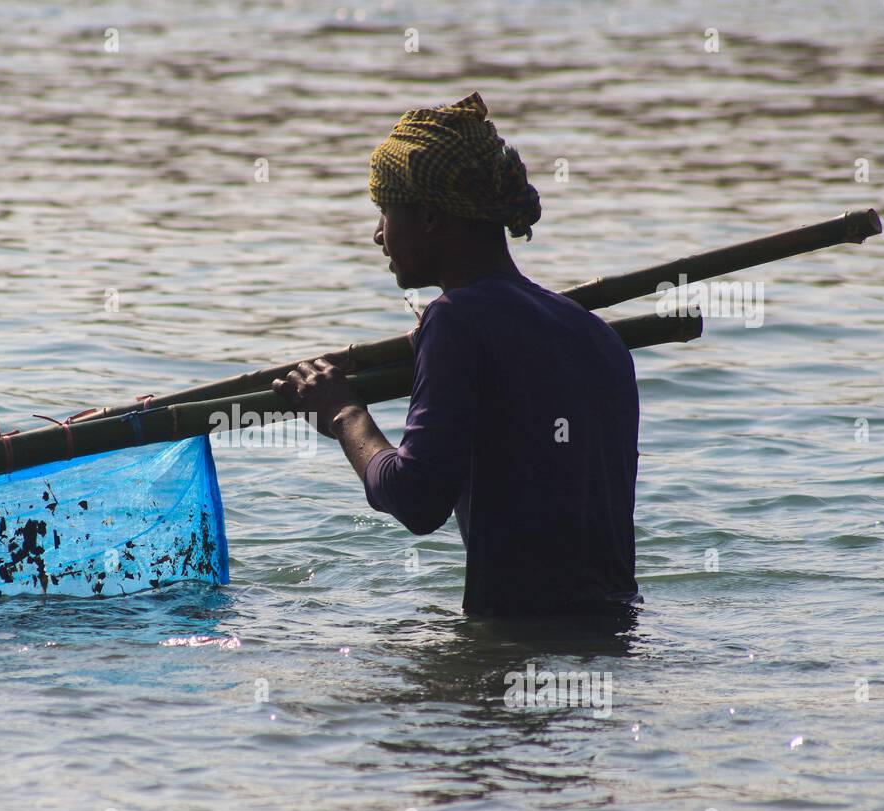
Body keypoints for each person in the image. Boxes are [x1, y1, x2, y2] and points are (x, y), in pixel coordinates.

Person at [272, 92, 640, 616]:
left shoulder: (456, 321)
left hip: (517, 645)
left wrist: (343, 413)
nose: (378, 235)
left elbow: (416, 500)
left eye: (386, 213)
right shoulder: (597, 335)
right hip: (616, 633)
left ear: (428, 218)